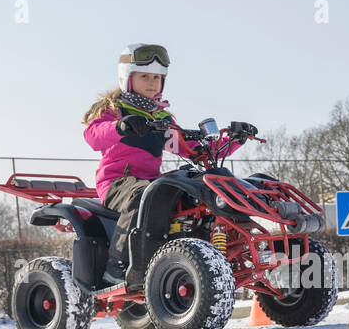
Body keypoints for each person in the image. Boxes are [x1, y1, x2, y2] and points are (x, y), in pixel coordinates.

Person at [82, 43, 257, 286]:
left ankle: (190, 260)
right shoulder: (116, 110)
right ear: (128, 78)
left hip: (150, 182)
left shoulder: (162, 118)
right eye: (145, 76)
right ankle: (118, 267)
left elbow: (193, 150)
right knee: (140, 196)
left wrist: (235, 140)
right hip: (116, 183)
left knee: (191, 196)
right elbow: (93, 135)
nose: (152, 82)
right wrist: (121, 126)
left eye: (157, 77)